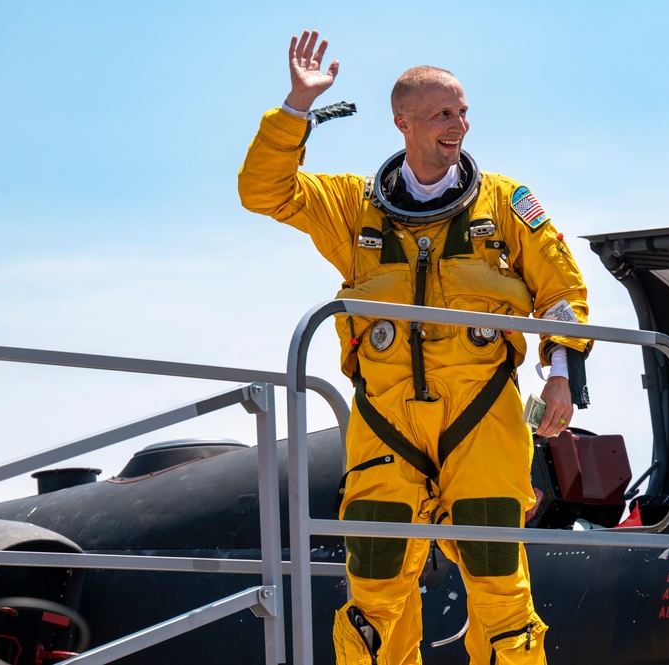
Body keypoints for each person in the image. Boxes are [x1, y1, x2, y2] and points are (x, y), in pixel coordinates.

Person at [238, 29, 592, 665]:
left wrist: (562, 372)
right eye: (441, 114)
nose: (457, 125)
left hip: (481, 416)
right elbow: (263, 191)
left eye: (461, 111)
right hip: (384, 419)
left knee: (497, 585)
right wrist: (295, 108)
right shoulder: (351, 206)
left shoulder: (507, 202)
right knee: (374, 588)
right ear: (402, 122)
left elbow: (559, 289)